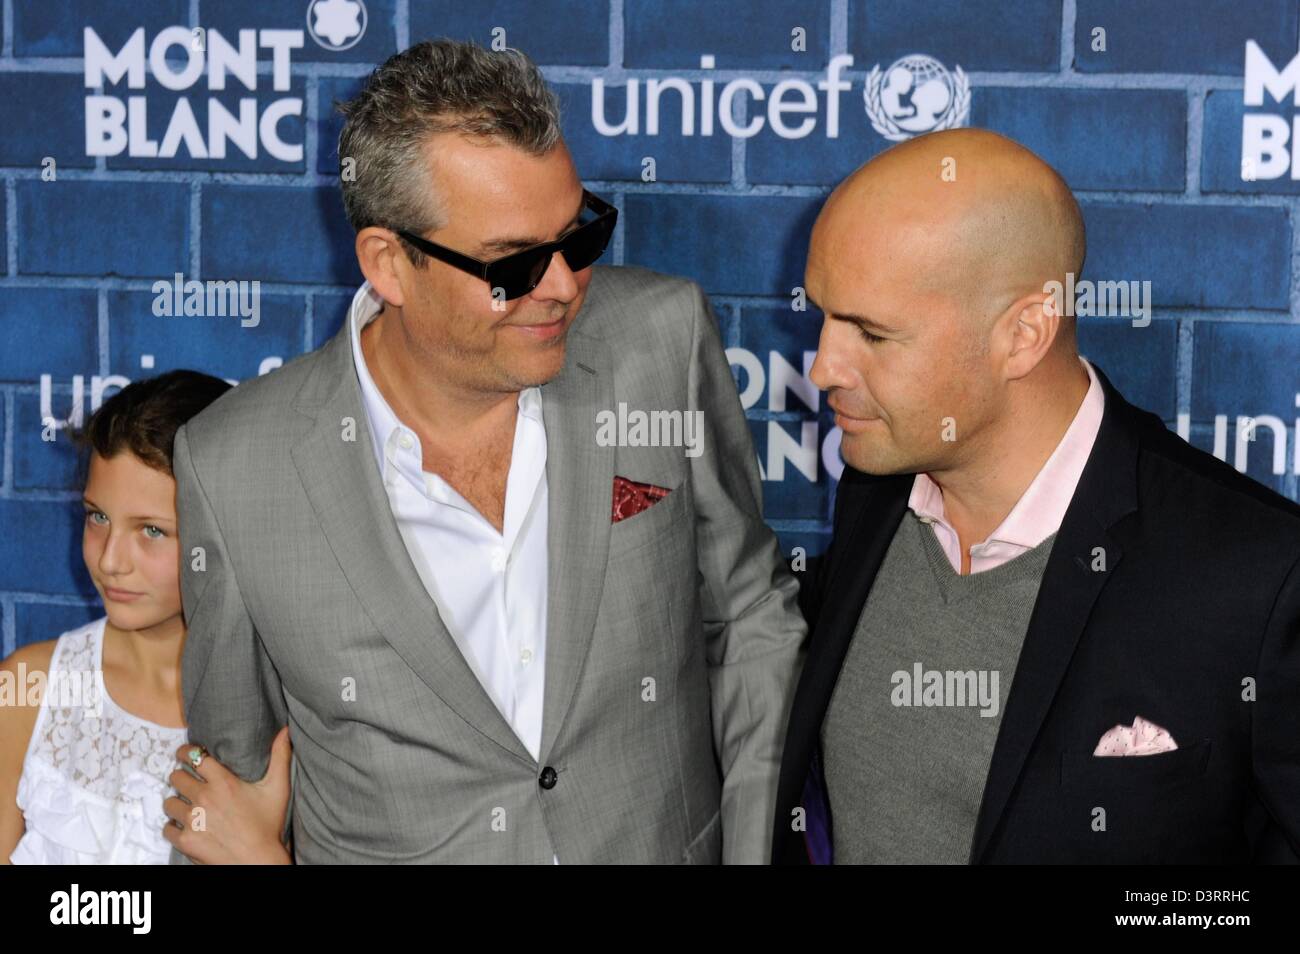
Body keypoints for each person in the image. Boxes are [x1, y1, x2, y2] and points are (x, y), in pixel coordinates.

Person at [165, 38, 804, 865]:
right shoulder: (233, 467)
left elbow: (750, 619)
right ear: (389, 263)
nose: (565, 287)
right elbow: (233, 781)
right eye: (515, 264)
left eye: (577, 236)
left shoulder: (660, 344)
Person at [772, 127, 1300, 864]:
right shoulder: (877, 485)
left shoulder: (1260, 577)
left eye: (872, 334)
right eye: (824, 316)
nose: (823, 367)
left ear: (1023, 334)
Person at [0, 371, 290, 864]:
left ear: (227, 530)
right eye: (98, 517)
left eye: (152, 531)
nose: (111, 560)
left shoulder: (290, 719)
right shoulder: (28, 688)